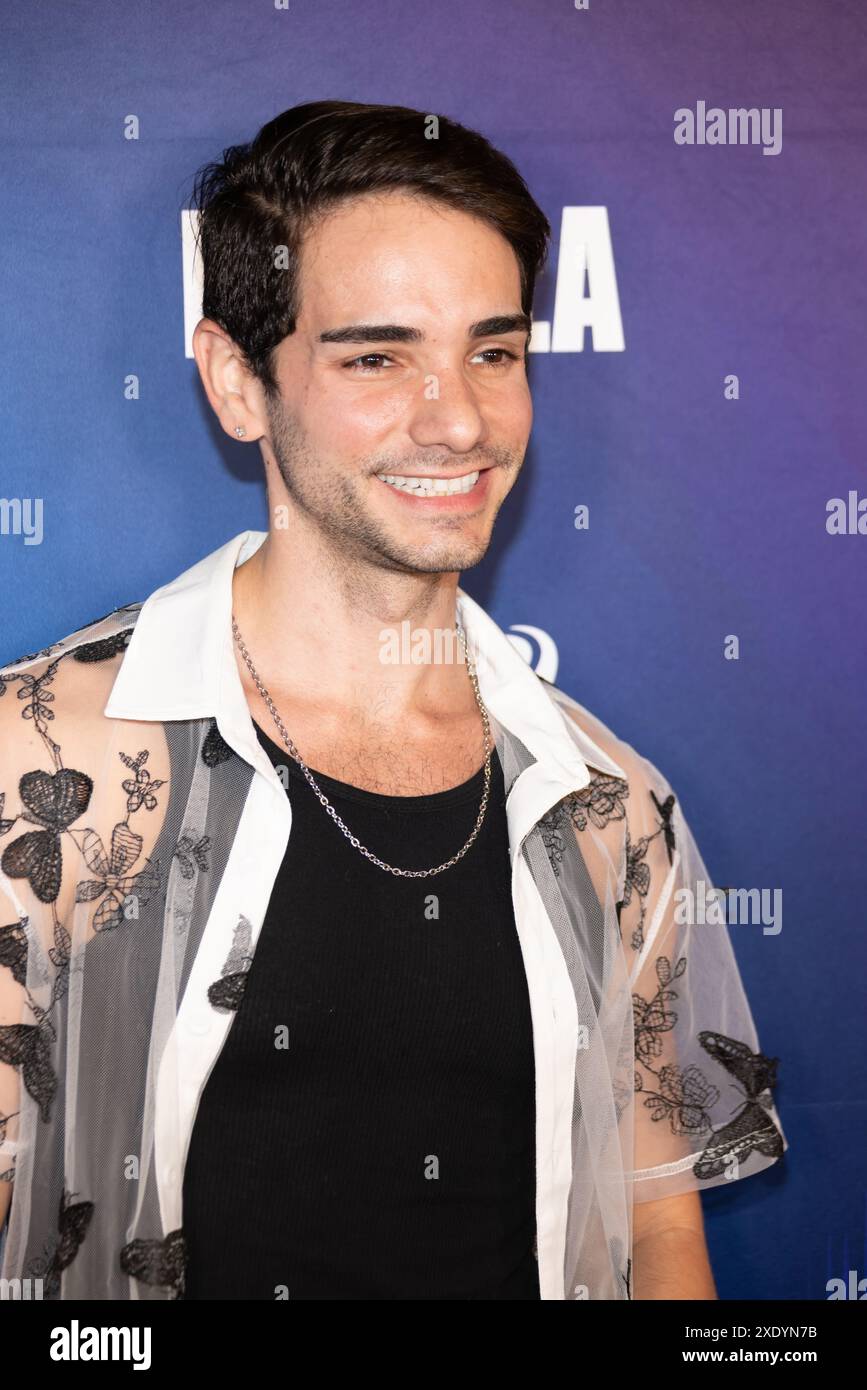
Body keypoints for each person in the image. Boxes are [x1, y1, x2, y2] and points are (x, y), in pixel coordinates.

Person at [0, 100, 787, 1301]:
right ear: (237, 381)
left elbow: (658, 1230)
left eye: (494, 350)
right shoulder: (46, 766)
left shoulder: (609, 804)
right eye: (377, 356)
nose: (460, 418)